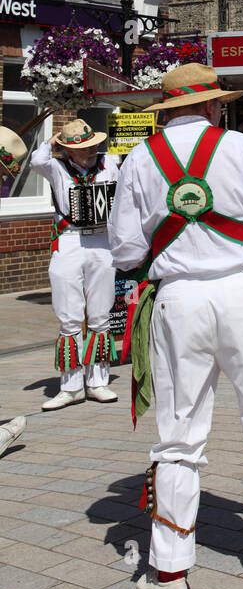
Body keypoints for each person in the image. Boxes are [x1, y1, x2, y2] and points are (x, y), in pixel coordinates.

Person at [108, 63, 243, 589]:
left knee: (179, 437)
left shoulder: (138, 160)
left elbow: (126, 253)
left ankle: (171, 575)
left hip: (179, 300)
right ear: (210, 107)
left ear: (168, 110)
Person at [30, 120, 120, 411]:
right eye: (83, 147)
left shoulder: (110, 164)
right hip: (69, 241)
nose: (91, 149)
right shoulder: (56, 168)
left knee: (100, 313)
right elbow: (36, 160)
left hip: (102, 241)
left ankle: (98, 383)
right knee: (68, 316)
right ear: (69, 151)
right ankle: (70, 387)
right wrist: (52, 141)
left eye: (92, 144)